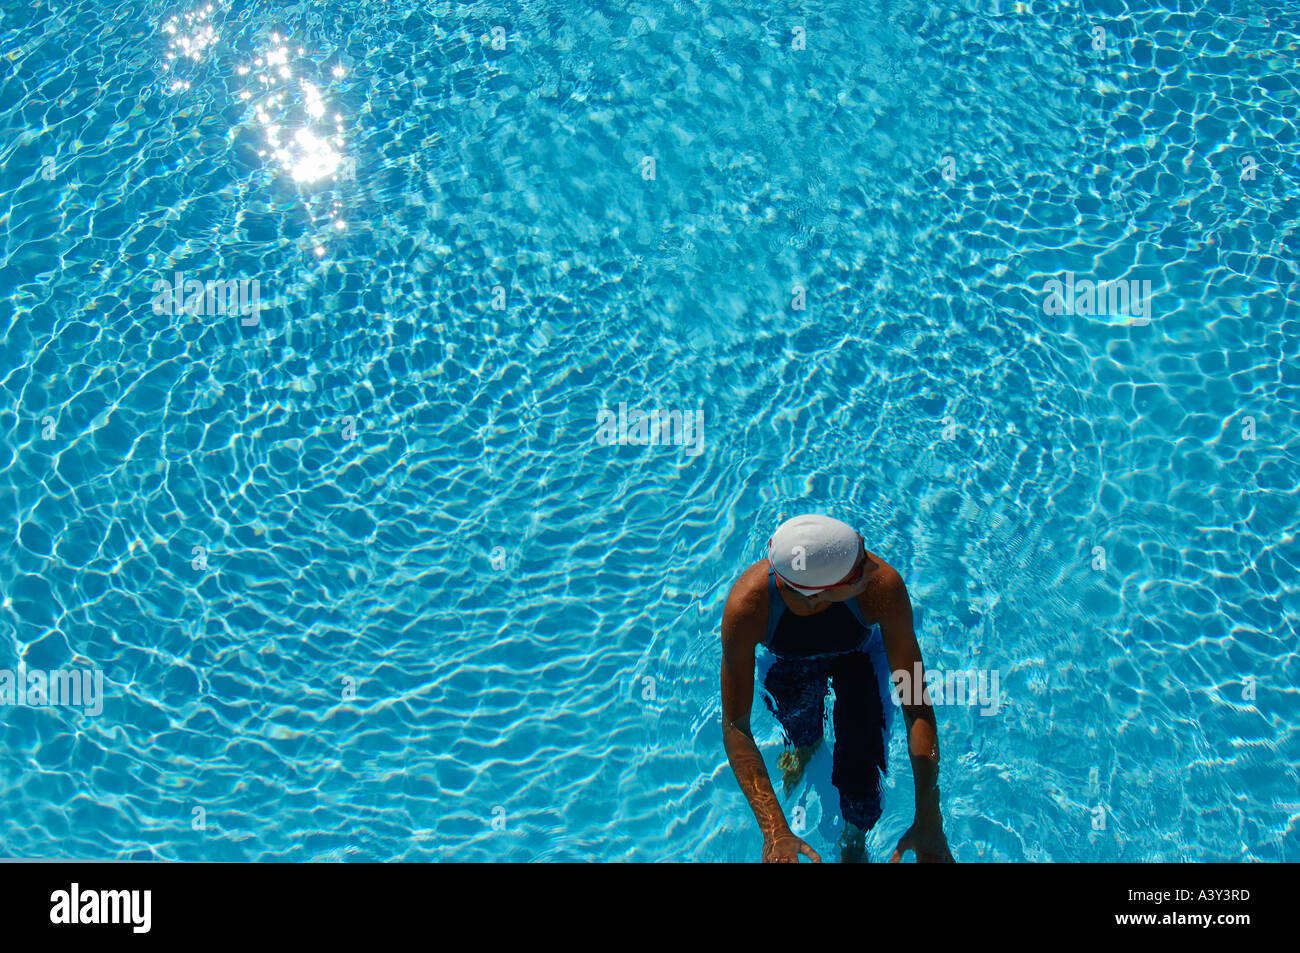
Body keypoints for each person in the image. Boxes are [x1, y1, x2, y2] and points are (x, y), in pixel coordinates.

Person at [720, 513, 955, 862]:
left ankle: (854, 839)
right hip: (789, 661)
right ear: (820, 595)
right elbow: (736, 726)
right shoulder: (748, 608)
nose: (873, 566)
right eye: (859, 568)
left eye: (861, 551)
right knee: (799, 724)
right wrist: (775, 831)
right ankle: (806, 747)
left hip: (859, 655)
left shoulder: (882, 587)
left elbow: (916, 704)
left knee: (862, 771)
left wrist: (929, 818)